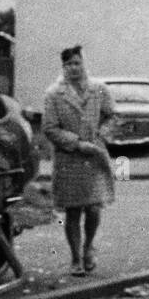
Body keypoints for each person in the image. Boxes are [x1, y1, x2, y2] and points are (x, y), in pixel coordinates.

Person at [42, 46, 115, 277]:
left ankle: (88, 248)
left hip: (94, 155)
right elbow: (50, 128)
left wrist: (101, 136)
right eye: (68, 64)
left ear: (84, 63)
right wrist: (75, 143)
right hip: (69, 158)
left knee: (94, 207)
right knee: (73, 211)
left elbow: (112, 116)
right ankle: (75, 258)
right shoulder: (54, 94)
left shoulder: (99, 89)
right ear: (63, 67)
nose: (73, 68)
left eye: (77, 63)